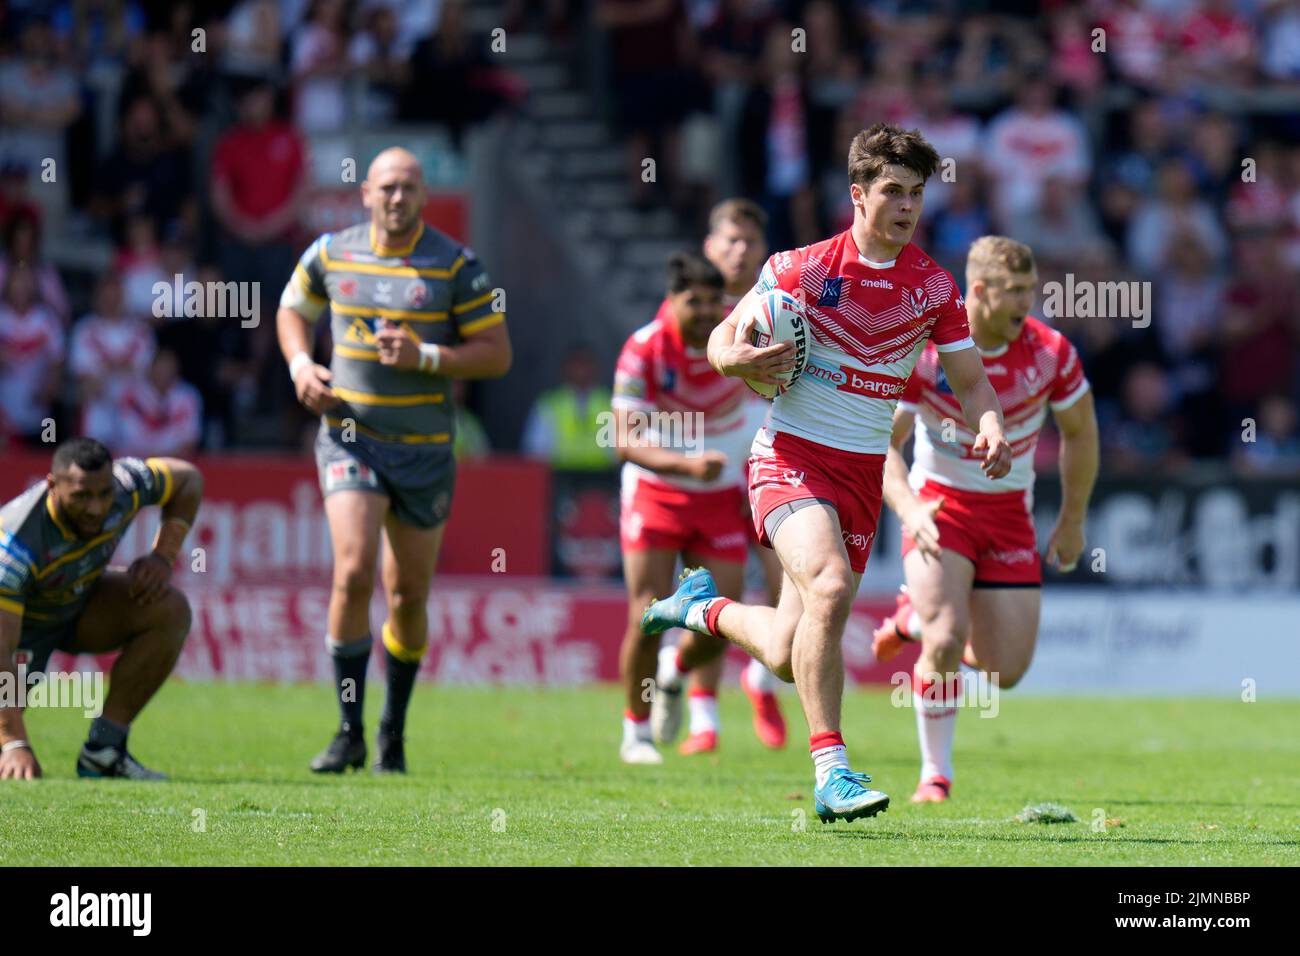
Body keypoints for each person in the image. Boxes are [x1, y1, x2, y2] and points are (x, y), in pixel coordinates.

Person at [640, 123, 1011, 823]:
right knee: (833, 588)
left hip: (862, 479)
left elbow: (973, 382)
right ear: (858, 196)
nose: (907, 206)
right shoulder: (798, 271)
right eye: (893, 191)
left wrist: (989, 424)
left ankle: (699, 608)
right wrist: (736, 361)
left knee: (785, 651)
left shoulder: (933, 288)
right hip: (788, 458)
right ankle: (831, 772)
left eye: (917, 194)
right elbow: (724, 337)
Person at [276, 147, 511, 774]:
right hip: (350, 436)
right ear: (365, 193)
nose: (396, 198)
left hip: (426, 451)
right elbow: (291, 311)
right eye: (386, 187)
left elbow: (495, 353)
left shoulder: (457, 266)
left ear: (425, 194)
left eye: (408, 187)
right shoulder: (330, 252)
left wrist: (426, 357)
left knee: (406, 594)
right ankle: (348, 729)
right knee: (353, 572)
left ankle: (392, 731)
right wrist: (301, 365)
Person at [872, 236, 1099, 803]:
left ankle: (911, 621)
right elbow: (882, 444)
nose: (1028, 301)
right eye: (1014, 291)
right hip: (939, 507)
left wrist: (1072, 520)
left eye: (1030, 288)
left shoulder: (1050, 352)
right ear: (978, 290)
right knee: (948, 639)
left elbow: (1081, 433)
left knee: (1006, 672)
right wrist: (908, 507)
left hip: (1009, 518)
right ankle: (934, 774)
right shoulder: (927, 351)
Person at [651, 197, 788, 754]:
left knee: (789, 585)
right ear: (708, 248)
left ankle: (758, 677)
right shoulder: (688, 312)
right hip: (708, 474)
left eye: (749, 243)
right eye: (728, 241)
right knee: (709, 590)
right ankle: (705, 718)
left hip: (770, 462)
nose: (738, 252)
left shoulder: (778, 305)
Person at [612, 252, 754, 764]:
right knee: (645, 614)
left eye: (714, 301)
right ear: (671, 301)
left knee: (722, 624)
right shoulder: (644, 349)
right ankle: (637, 732)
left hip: (719, 498)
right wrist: (687, 466)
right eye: (693, 302)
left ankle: (674, 674)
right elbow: (625, 441)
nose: (705, 312)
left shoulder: (737, 339)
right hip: (657, 492)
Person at [0, 437, 202, 780]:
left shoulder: (126, 485)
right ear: (52, 486)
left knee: (169, 609)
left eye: (103, 494)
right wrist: (13, 741)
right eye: (81, 496)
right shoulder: (14, 546)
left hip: (77, 607)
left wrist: (162, 556)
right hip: (21, 634)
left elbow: (188, 479)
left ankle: (104, 751)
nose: (96, 507)